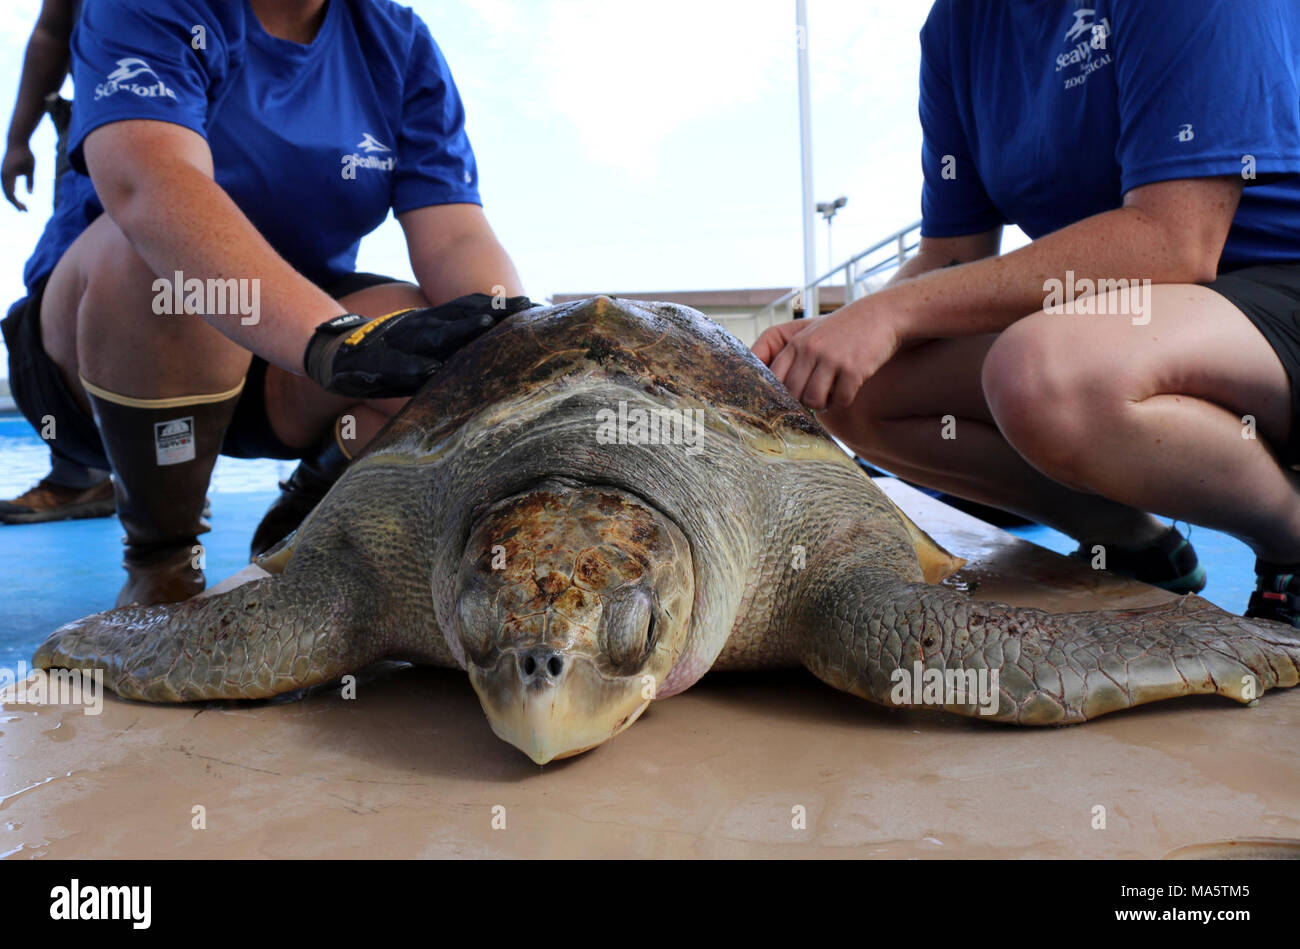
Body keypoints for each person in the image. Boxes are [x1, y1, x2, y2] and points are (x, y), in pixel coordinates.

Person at [754, 0, 1300, 624]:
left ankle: (1291, 538)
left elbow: (1175, 241)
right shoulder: (960, 25)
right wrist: (838, 333)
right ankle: (1132, 543)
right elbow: (951, 255)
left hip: (1275, 288)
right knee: (853, 390)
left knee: (1042, 370)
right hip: (1132, 316)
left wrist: (891, 312)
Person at [0, 0, 527, 606]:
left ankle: (303, 523)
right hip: (104, 364)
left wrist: (521, 356)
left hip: (281, 361)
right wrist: (330, 339)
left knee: (450, 335)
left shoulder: (398, 41)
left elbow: (456, 233)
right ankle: (162, 559)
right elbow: (151, 185)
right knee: (163, 271)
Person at [0, 0, 119, 525]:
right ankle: (81, 476)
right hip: (95, 126)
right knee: (60, 291)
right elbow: (52, 30)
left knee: (182, 288)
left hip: (207, 120)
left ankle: (171, 473)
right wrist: (18, 137)